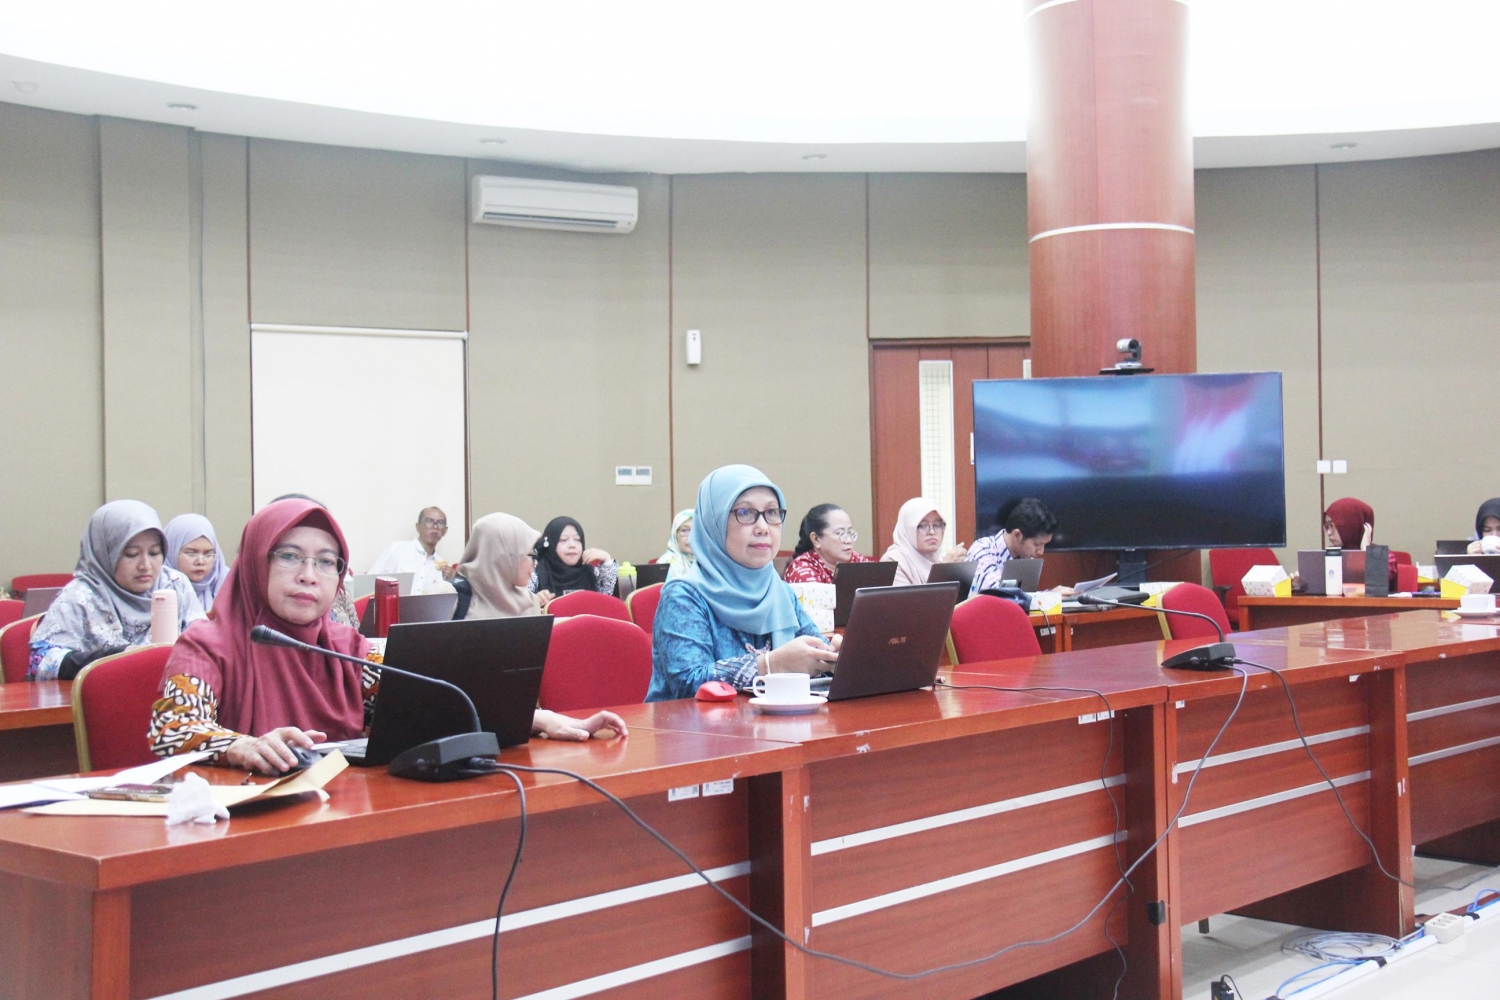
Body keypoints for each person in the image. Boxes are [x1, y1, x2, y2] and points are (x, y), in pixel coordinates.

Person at [148, 498, 626, 773]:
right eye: (289, 557)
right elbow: (172, 733)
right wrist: (238, 745)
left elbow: (431, 701)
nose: (309, 575)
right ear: (256, 562)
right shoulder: (207, 646)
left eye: (326, 562)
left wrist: (539, 719)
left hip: (342, 819)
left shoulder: (346, 648)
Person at [648, 465, 840, 701]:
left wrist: (834, 656)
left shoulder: (780, 592)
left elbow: (813, 652)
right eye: (745, 513)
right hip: (693, 732)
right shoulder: (683, 596)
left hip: (775, 727)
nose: (762, 527)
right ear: (714, 522)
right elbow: (688, 683)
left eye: (772, 512)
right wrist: (771, 664)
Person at [29, 500, 205, 680]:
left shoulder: (174, 584)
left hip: (171, 697)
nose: (145, 566)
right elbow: (42, 662)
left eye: (154, 553)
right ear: (104, 553)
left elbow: (206, 644)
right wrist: (118, 656)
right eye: (131, 554)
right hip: (104, 699)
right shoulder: (79, 597)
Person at [967, 498, 1073, 595]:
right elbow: (995, 594)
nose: (1041, 552)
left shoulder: (1024, 556)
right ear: (1017, 535)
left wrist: (1053, 597)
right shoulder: (982, 549)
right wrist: (1049, 596)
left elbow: (1024, 600)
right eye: (1037, 544)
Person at [454, 512, 547, 620]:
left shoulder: (529, 602)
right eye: (531, 555)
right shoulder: (451, 596)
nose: (535, 562)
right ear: (504, 557)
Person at [529, 516, 618, 607]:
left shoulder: (591, 571)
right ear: (551, 544)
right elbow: (521, 610)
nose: (572, 545)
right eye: (563, 540)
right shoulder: (534, 573)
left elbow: (607, 601)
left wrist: (607, 559)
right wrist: (535, 601)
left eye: (577, 540)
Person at [366, 507, 457, 595]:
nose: (435, 527)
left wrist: (452, 580)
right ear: (418, 526)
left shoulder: (442, 566)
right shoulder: (397, 549)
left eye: (440, 523)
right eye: (429, 522)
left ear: (445, 530)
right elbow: (369, 582)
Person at [881, 498, 967, 587]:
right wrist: (943, 571)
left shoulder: (935, 560)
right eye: (923, 526)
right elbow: (908, 600)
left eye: (937, 525)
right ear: (908, 529)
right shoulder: (893, 562)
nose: (932, 532)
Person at [783, 503, 872, 584]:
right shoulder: (802, 570)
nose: (848, 540)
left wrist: (883, 567)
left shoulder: (855, 560)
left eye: (849, 533)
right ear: (816, 539)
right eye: (839, 533)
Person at [1324, 497, 1397, 587]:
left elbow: (1376, 586)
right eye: (1327, 526)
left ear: (1351, 525)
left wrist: (1365, 553)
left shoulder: (1384, 556)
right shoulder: (1330, 555)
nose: (1328, 532)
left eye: (1332, 525)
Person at [165, 513, 229, 613]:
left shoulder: (229, 582)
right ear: (171, 552)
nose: (200, 561)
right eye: (191, 553)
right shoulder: (158, 586)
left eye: (208, 554)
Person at [659, 509, 696, 579]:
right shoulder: (665, 565)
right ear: (675, 535)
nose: (690, 536)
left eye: (695, 530)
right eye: (684, 531)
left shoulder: (708, 562)